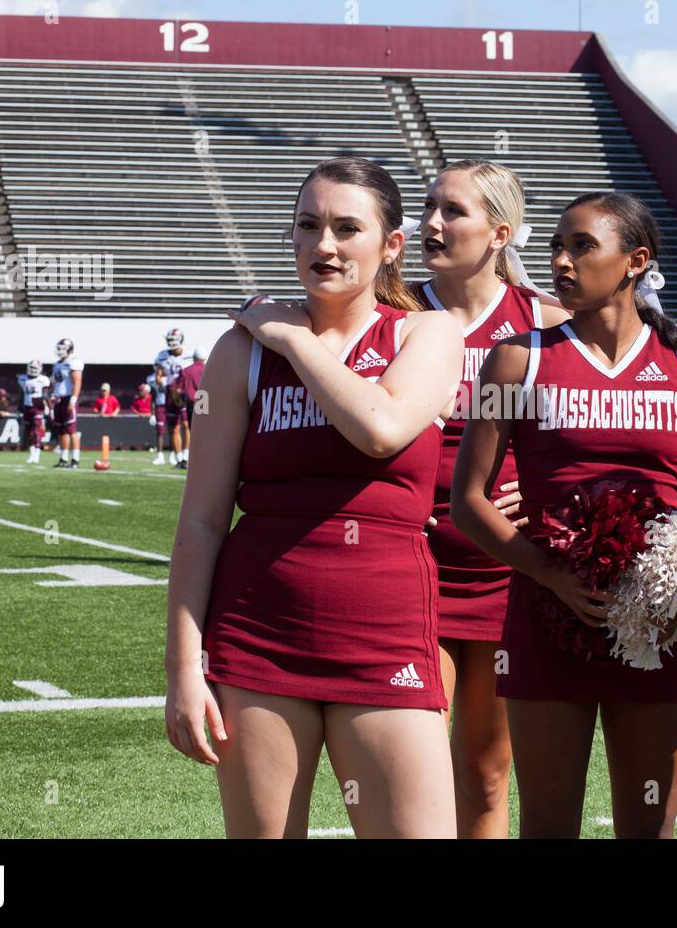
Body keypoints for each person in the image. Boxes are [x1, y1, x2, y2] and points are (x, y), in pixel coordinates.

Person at [165, 156, 463, 838]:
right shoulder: (239, 354)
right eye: (308, 225)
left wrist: (294, 339)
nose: (323, 245)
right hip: (258, 635)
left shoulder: (425, 333)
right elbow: (203, 523)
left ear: (391, 246)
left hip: (386, 635)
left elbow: (381, 428)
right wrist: (184, 667)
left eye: (346, 228)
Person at [452, 190, 677, 839]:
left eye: (582, 245)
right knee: (549, 827)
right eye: (557, 245)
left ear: (635, 260)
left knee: (647, 829)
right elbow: (467, 501)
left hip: (656, 630)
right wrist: (552, 575)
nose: (561, 260)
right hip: (546, 619)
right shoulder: (517, 358)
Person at [415, 158, 569, 838]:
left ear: (500, 233)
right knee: (411, 776)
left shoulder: (549, 322)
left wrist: (551, 502)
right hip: (409, 568)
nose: (431, 223)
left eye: (452, 211)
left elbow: (603, 434)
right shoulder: (393, 309)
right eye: (429, 207)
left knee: (485, 772)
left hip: (512, 572)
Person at [155, 330, 194, 469]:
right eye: (169, 339)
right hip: (171, 394)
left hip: (186, 394)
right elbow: (158, 377)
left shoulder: (190, 355)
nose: (171, 342)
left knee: (186, 425)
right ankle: (179, 458)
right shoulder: (162, 356)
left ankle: (186, 456)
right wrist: (164, 382)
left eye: (174, 339)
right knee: (174, 428)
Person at [50, 338, 85, 468]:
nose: (59, 351)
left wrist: (73, 400)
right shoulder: (57, 364)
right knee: (62, 430)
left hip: (68, 398)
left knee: (71, 430)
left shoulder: (74, 363)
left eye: (62, 348)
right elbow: (56, 382)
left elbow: (77, 382)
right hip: (59, 399)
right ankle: (63, 458)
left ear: (69, 349)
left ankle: (75, 459)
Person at [17, 360, 51, 464]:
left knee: (36, 430)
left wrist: (48, 407)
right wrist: (19, 407)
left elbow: (46, 395)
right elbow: (22, 394)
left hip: (38, 405)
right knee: (28, 431)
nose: (32, 370)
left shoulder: (43, 380)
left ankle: (37, 453)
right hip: (27, 406)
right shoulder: (22, 379)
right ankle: (32, 453)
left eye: (34, 368)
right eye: (31, 368)